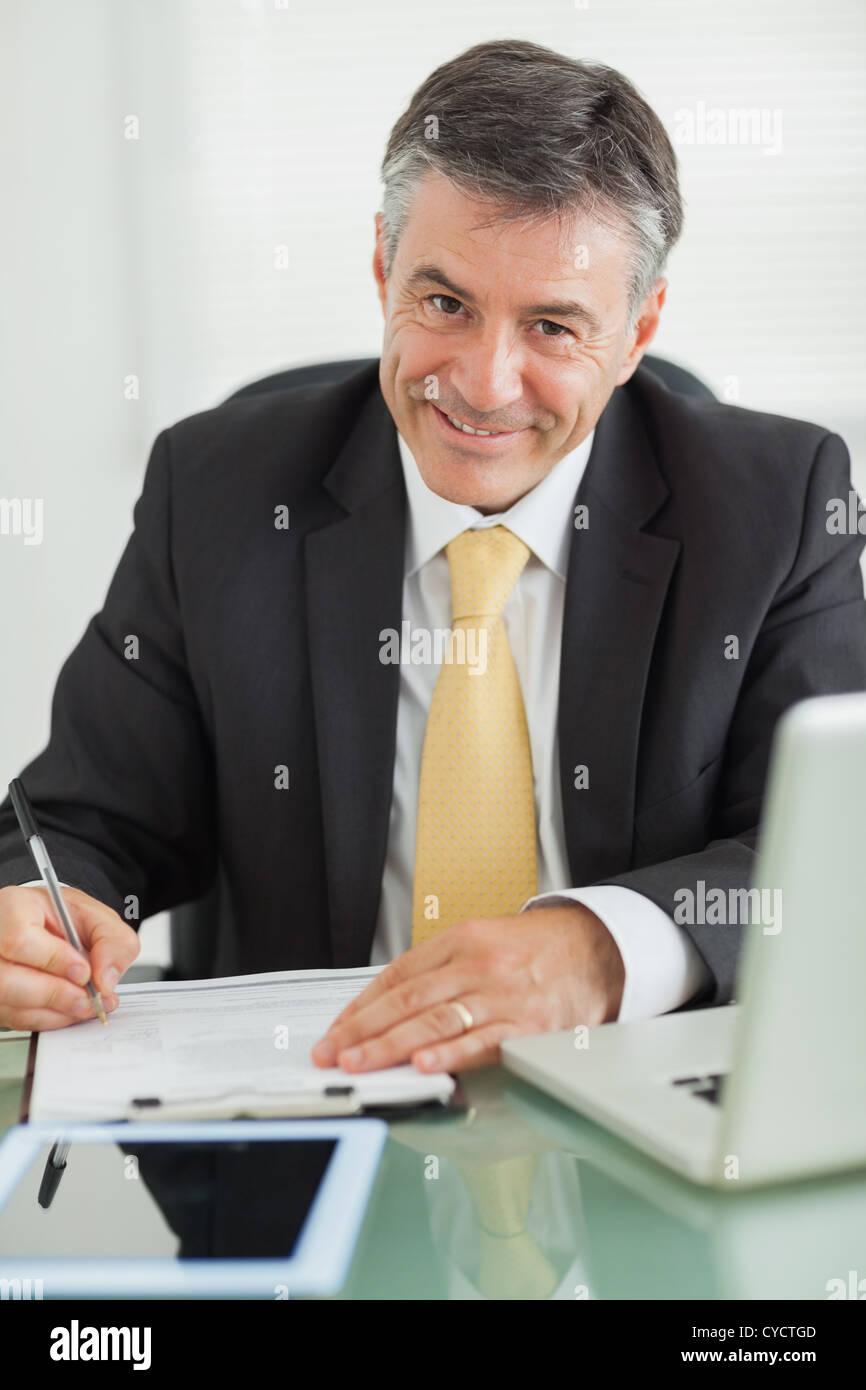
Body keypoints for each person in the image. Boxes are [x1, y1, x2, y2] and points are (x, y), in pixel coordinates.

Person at [1, 40, 864, 1082]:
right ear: (380, 267)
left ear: (638, 331)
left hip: (631, 1109)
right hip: (302, 1118)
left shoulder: (775, 504)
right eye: (444, 303)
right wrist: (36, 918)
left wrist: (598, 947)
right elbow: (80, 825)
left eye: (550, 325)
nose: (483, 384)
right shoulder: (220, 489)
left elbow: (824, 860)